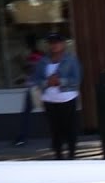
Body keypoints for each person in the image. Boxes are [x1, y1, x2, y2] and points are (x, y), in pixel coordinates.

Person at [33, 32, 81, 160]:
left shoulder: (71, 59)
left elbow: (77, 79)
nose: (54, 45)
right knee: (55, 129)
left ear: (63, 44)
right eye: (51, 43)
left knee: (69, 127)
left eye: (57, 42)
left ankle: (71, 154)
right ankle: (58, 155)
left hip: (67, 99)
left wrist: (61, 81)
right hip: (49, 100)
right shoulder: (43, 61)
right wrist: (47, 82)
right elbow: (36, 79)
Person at [12, 35, 44, 146]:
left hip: (35, 88)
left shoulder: (34, 56)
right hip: (37, 87)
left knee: (26, 114)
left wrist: (19, 63)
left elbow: (30, 70)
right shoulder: (39, 55)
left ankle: (22, 137)